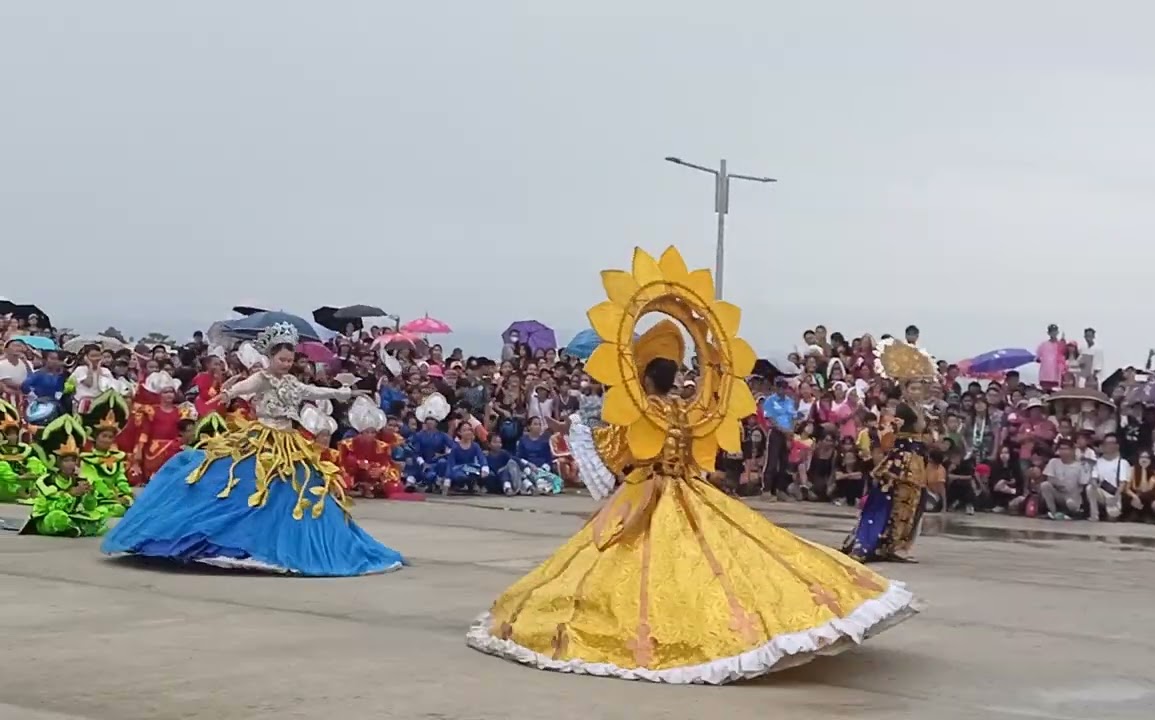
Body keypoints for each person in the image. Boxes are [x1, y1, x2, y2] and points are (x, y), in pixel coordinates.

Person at [466, 246, 915, 684]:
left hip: (646, 493)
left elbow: (620, 456)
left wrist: (590, 429)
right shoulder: (686, 410)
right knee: (724, 560)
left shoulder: (641, 414)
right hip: (690, 490)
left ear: (643, 378)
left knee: (634, 573)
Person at [101, 322, 403, 576]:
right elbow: (243, 388)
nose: (286, 364)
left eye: (289, 360)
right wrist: (229, 392)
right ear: (271, 357)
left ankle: (288, 540)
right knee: (245, 482)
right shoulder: (262, 378)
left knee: (298, 488)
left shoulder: (293, 382)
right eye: (282, 359)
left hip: (290, 442)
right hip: (262, 437)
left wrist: (343, 391)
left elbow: (315, 391)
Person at [841, 339, 937, 562]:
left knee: (909, 504)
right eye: (912, 388)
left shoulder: (920, 409)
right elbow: (889, 430)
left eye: (918, 388)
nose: (916, 391)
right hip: (902, 461)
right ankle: (875, 544)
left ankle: (892, 545)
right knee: (893, 502)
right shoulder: (903, 408)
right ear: (904, 389)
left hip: (916, 461)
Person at [20, 416, 123, 537]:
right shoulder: (46, 481)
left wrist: (90, 494)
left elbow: (89, 507)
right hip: (45, 518)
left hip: (72, 515)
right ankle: (77, 528)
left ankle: (76, 528)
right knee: (57, 517)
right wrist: (70, 494)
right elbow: (51, 508)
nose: (70, 464)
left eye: (73, 460)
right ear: (58, 462)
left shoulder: (79, 480)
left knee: (101, 513)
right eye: (66, 461)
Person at [78, 390, 134, 517]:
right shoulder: (88, 458)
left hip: (115, 497)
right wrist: (112, 496)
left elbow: (120, 478)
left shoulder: (116, 457)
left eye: (110, 437)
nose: (107, 440)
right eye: (104, 436)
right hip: (97, 496)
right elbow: (95, 481)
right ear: (95, 437)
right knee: (118, 509)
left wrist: (127, 492)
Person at [126, 371, 188, 486]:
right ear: (159, 394)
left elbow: (183, 432)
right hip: (154, 451)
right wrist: (139, 451)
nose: (169, 395)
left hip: (174, 450)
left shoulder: (180, 411)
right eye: (165, 392)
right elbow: (144, 433)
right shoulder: (151, 411)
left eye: (171, 392)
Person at [0, 399, 44, 502]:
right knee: (2, 466)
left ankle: (33, 490)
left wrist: (31, 473)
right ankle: (19, 491)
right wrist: (19, 477)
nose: (13, 437)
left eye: (14, 433)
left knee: (35, 461)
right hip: (6, 482)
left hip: (24, 477)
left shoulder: (25, 448)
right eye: (10, 434)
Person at [1040, 439, 1087, 520]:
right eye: (1061, 449)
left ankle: (1074, 514)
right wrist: (1058, 484)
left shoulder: (1080, 466)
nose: (1063, 451)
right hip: (1058, 493)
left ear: (1073, 450)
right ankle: (1052, 512)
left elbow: (1083, 484)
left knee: (1070, 503)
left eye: (1066, 449)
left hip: (1072, 498)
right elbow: (1049, 478)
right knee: (1044, 485)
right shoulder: (1053, 462)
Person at [1087, 433, 1127, 521]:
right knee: (1089, 488)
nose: (1109, 446)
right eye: (1107, 443)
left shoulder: (1122, 462)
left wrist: (1115, 497)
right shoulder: (1099, 462)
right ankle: (1094, 515)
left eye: (1112, 443)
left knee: (1112, 517)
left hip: (1114, 494)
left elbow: (1122, 483)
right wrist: (1095, 485)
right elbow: (1094, 478)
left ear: (1117, 446)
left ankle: (1111, 510)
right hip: (1101, 492)